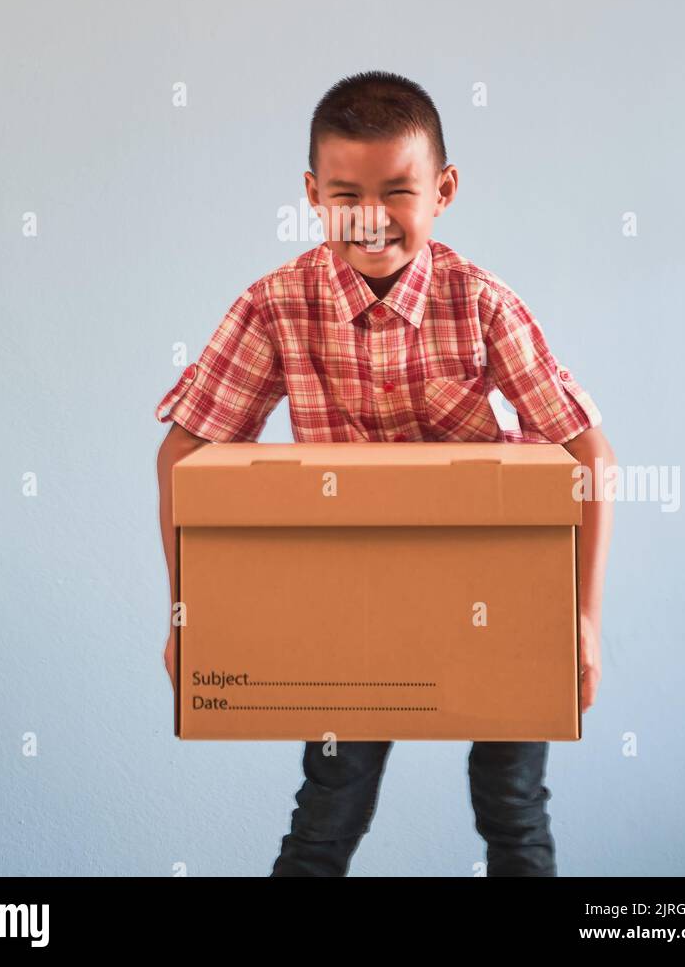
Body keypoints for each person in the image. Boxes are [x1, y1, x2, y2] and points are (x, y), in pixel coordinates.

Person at [155, 69, 616, 876]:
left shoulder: (482, 305)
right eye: (345, 195)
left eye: (398, 192)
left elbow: (587, 457)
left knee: (512, 811)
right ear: (312, 193)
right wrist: (189, 609)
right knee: (329, 811)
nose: (371, 219)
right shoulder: (276, 307)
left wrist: (581, 616)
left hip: (498, 595)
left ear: (443, 190)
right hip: (349, 602)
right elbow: (185, 460)